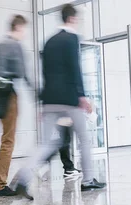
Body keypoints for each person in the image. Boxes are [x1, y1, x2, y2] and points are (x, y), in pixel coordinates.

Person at [14, 4, 105, 200]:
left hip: (49, 100)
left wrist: (43, 102)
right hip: (69, 99)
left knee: (46, 143)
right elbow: (75, 67)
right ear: (72, 19)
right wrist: (81, 95)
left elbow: (45, 73)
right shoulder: (72, 39)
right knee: (84, 139)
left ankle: (23, 177)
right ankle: (88, 180)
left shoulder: (48, 42)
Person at [0, 15, 31, 198]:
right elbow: (22, 73)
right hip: (9, 97)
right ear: (19, 27)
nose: (25, 33)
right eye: (24, 29)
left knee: (5, 139)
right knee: (8, 141)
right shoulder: (14, 45)